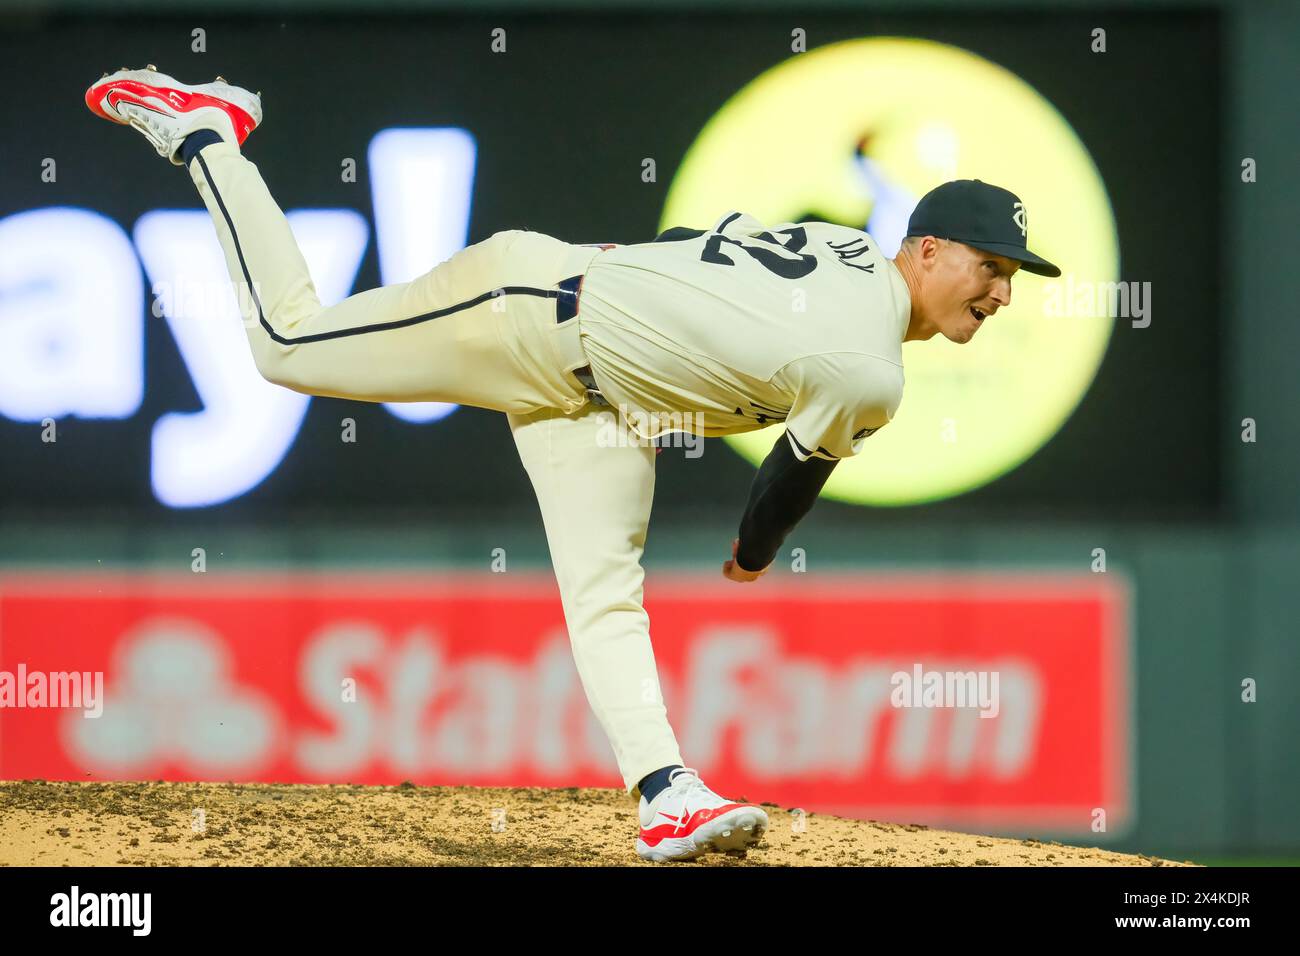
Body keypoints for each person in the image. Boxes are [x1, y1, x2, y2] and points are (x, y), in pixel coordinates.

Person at [86, 66, 1060, 862]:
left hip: (599, 401)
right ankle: (208, 133)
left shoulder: (841, 247)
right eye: (990, 265)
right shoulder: (870, 370)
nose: (1001, 289)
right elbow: (785, 484)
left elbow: (689, 241)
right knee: (283, 345)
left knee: (605, 597)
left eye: (1010, 274)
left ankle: (667, 792)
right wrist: (754, 555)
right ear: (926, 251)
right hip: (528, 310)